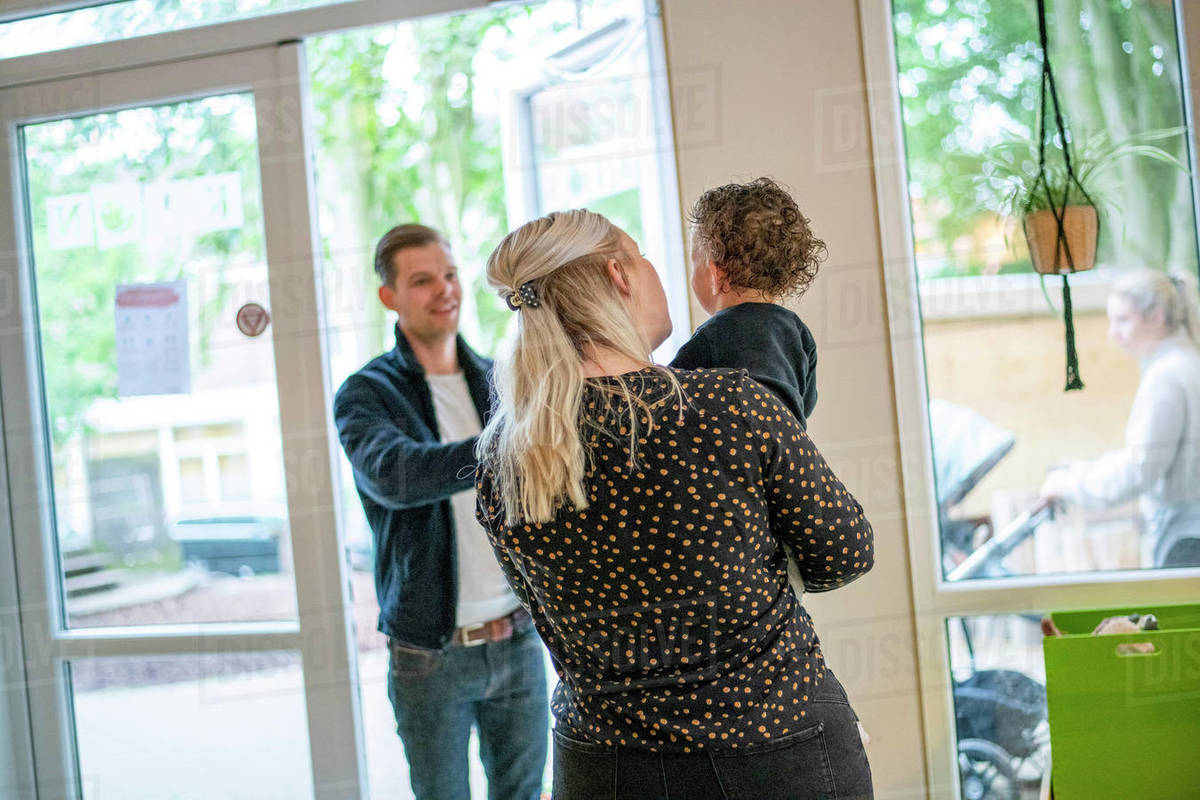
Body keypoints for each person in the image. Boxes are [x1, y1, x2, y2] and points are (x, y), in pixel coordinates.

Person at [474, 209, 875, 799]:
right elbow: (845, 553)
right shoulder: (728, 405)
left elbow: (544, 614)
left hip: (607, 767)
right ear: (619, 275)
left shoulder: (504, 459)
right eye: (643, 256)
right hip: (773, 746)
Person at [333, 224, 548, 800]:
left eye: (450, 275)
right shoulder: (366, 393)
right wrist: (505, 446)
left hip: (519, 638)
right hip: (430, 656)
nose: (444, 290)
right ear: (389, 296)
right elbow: (397, 476)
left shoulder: (500, 381)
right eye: (423, 280)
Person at [1041, 269, 1200, 568]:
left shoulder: (1167, 376)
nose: (1113, 333)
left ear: (1157, 317)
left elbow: (1141, 468)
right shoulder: (1187, 363)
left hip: (1187, 540)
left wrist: (1070, 485)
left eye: (1123, 320)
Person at [670, 177, 825, 429]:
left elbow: (669, 393)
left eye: (694, 262)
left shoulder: (714, 335)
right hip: (789, 447)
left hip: (739, 448)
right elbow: (806, 403)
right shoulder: (796, 329)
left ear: (715, 274)